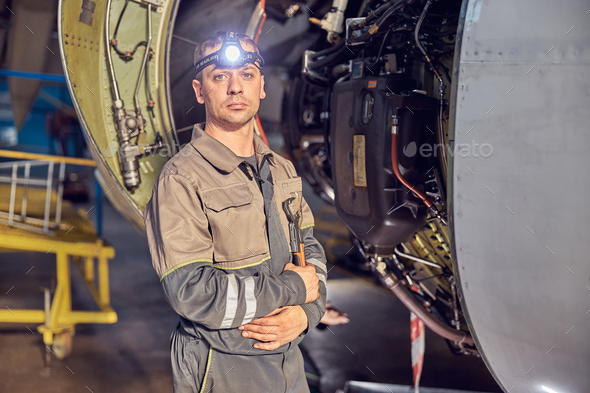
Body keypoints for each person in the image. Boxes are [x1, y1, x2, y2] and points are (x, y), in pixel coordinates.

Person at [144, 30, 327, 393]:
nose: (235, 87)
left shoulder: (281, 169)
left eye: (246, 75)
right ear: (200, 90)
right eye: (219, 76)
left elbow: (310, 249)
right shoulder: (181, 179)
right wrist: (291, 290)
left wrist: (305, 315)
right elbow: (191, 292)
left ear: (261, 86)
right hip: (224, 367)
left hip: (288, 363)